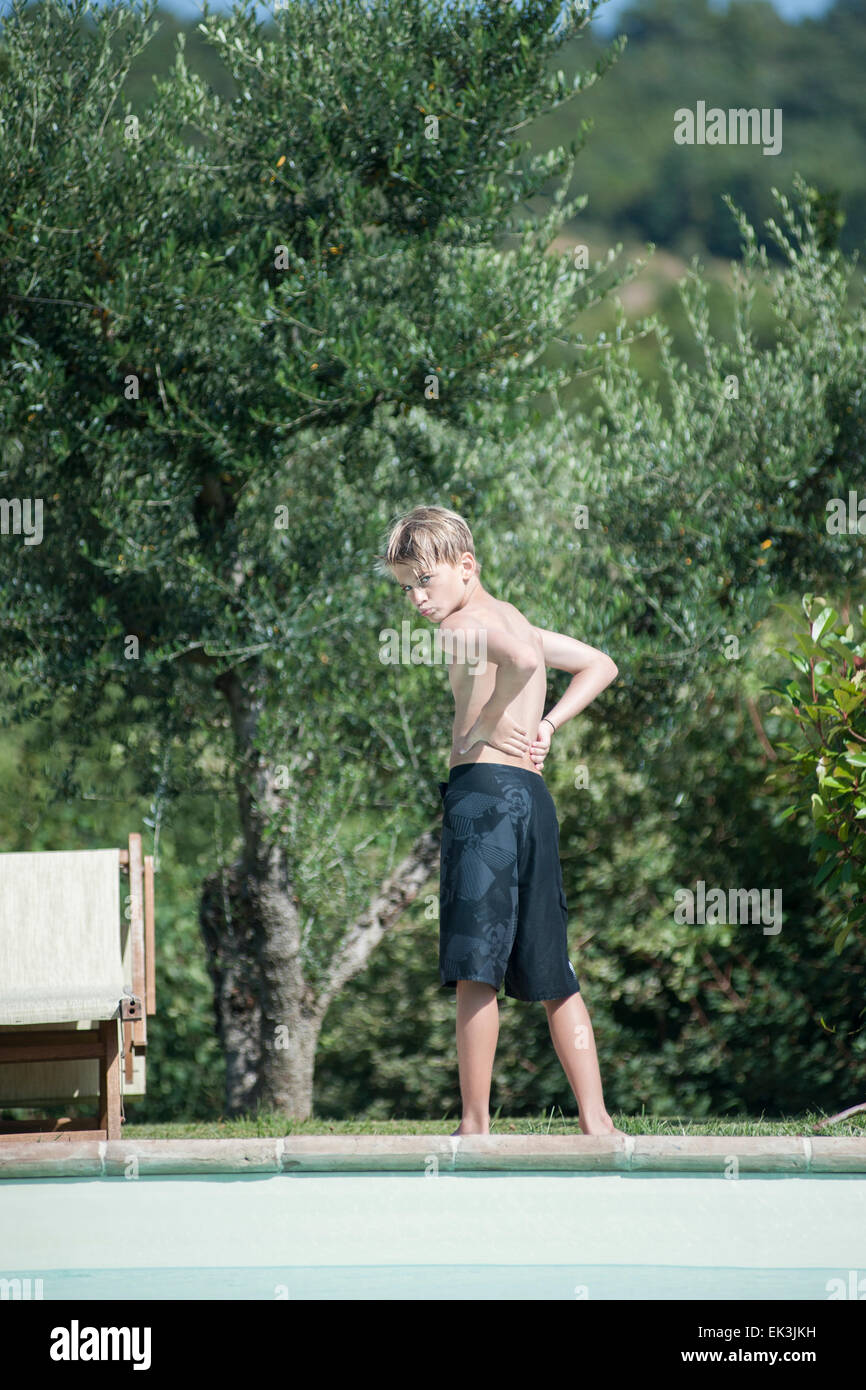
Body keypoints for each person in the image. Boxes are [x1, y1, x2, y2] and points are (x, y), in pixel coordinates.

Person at [380, 504, 624, 1137]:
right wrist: (546, 725)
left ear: (466, 567)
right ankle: (596, 1120)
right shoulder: (514, 617)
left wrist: (484, 725)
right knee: (553, 967)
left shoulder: (460, 626)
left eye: (425, 581)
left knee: (474, 965)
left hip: (482, 796)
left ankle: (474, 1123)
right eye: (406, 587)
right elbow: (601, 664)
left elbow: (515, 659)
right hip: (531, 798)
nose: (417, 599)